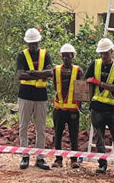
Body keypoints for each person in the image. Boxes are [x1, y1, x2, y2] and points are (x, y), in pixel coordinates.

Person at [86, 38, 114, 177]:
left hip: (113, 109)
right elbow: (85, 82)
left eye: (106, 53)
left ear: (111, 51)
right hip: (97, 108)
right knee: (99, 138)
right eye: (101, 53)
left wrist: (100, 83)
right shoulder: (95, 64)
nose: (103, 56)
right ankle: (102, 165)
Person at [14, 27, 52, 170]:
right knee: (23, 126)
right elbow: (20, 75)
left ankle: (40, 157)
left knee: (40, 128)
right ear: (27, 43)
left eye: (35, 43)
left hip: (41, 96)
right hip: (25, 95)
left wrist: (33, 72)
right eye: (30, 43)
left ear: (38, 42)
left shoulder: (45, 55)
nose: (33, 46)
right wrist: (41, 74)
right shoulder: (21, 56)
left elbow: (50, 73)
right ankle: (25, 155)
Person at [52, 43, 84, 169]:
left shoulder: (78, 70)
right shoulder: (56, 70)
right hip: (59, 108)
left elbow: (81, 90)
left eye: (68, 56)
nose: (66, 58)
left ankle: (74, 160)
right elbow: (56, 86)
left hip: (73, 110)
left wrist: (80, 105)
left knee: (73, 135)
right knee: (58, 135)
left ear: (73, 56)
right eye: (64, 56)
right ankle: (58, 159)